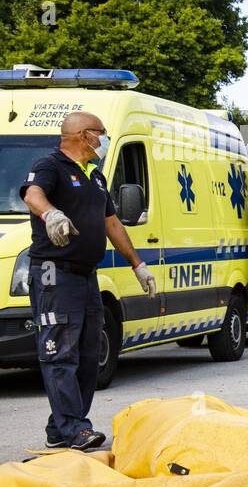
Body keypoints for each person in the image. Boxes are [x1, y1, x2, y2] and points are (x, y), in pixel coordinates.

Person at [19, 111, 156, 450]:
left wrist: (138, 264)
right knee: (60, 352)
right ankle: (73, 428)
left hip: (85, 275)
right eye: (101, 133)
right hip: (54, 273)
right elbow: (32, 194)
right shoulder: (51, 165)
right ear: (84, 135)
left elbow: (112, 223)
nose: (104, 139)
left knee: (88, 351)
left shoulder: (94, 176)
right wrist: (50, 212)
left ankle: (61, 426)